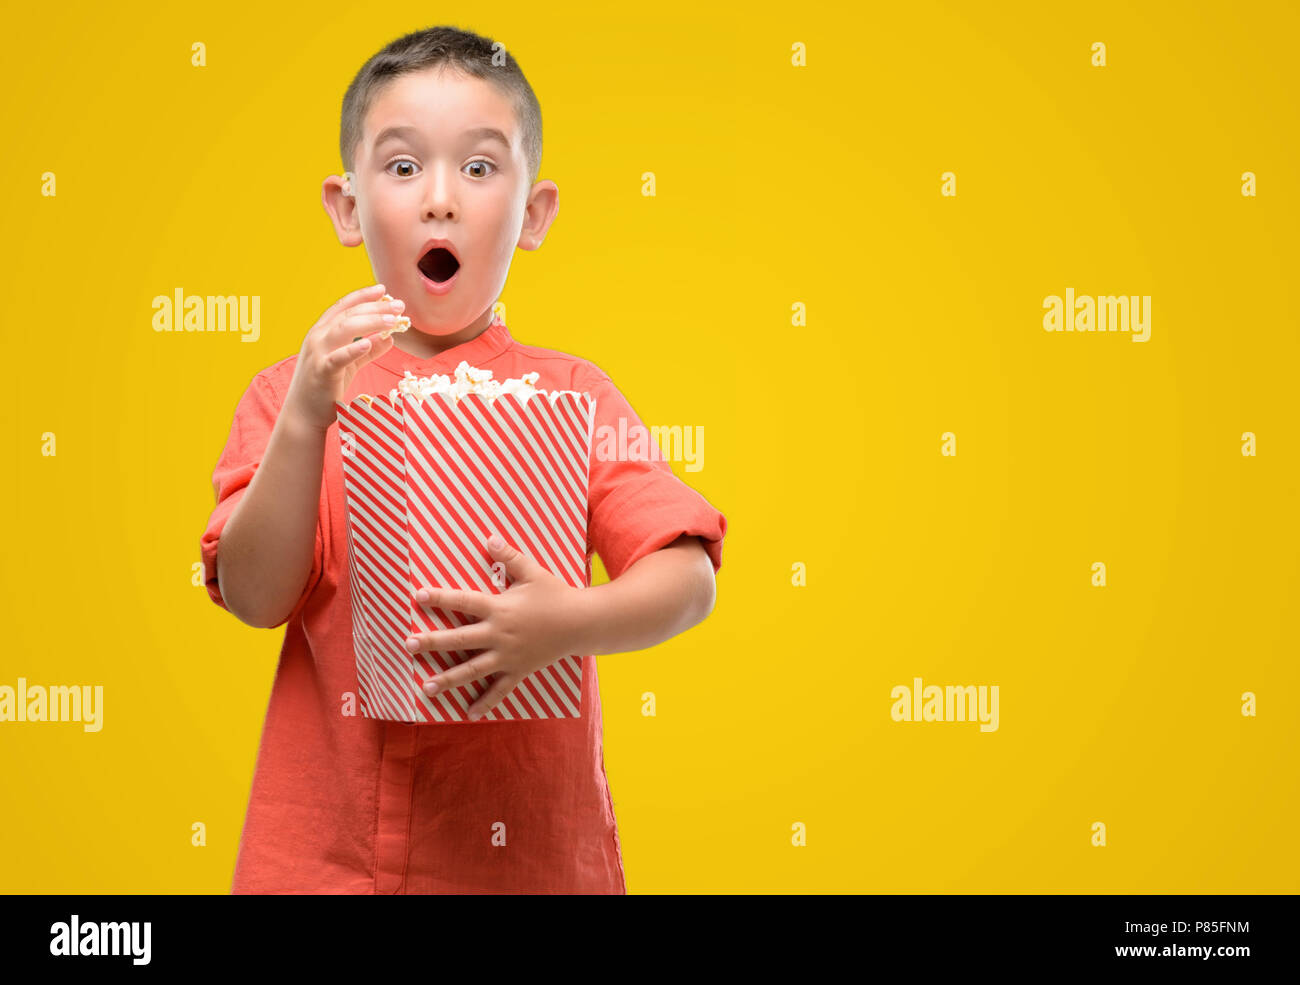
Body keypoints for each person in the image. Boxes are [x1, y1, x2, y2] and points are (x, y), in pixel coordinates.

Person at [198, 25, 727, 894]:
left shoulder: (576, 396)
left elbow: (689, 578)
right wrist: (303, 419)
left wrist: (568, 622)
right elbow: (255, 597)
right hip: (322, 866)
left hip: (526, 867)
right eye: (403, 167)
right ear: (346, 207)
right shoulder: (287, 394)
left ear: (535, 213)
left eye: (479, 168)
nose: (440, 198)